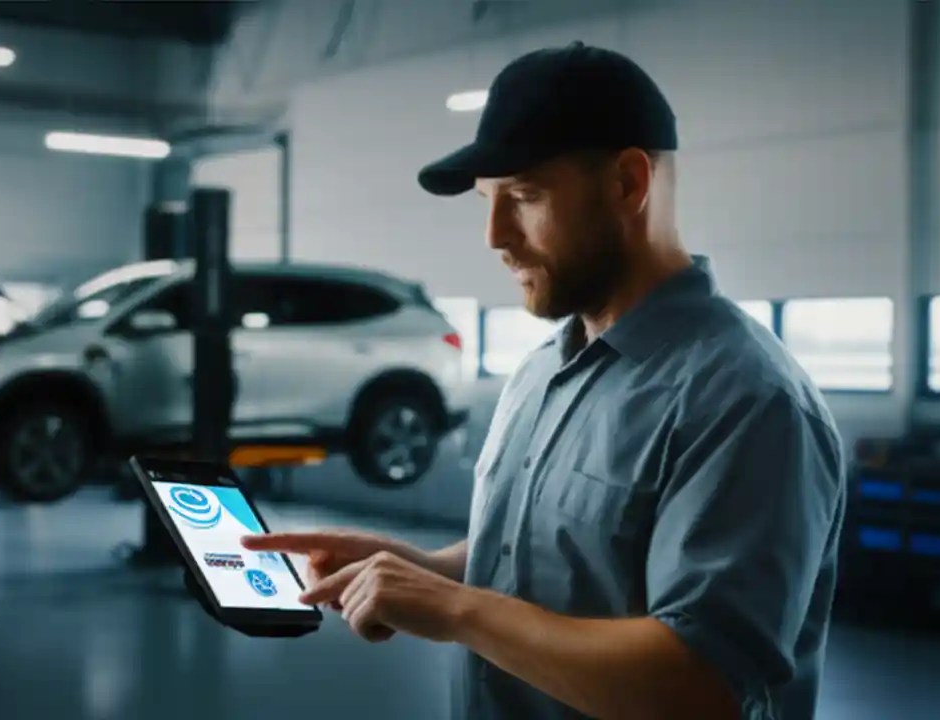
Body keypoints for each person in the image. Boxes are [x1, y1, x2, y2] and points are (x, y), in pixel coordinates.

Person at [226, 42, 845, 720]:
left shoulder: (748, 402)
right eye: (489, 201)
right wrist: (413, 570)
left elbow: (699, 687)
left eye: (524, 196)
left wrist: (458, 610)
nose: (495, 235)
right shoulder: (544, 370)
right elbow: (553, 560)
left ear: (628, 184)